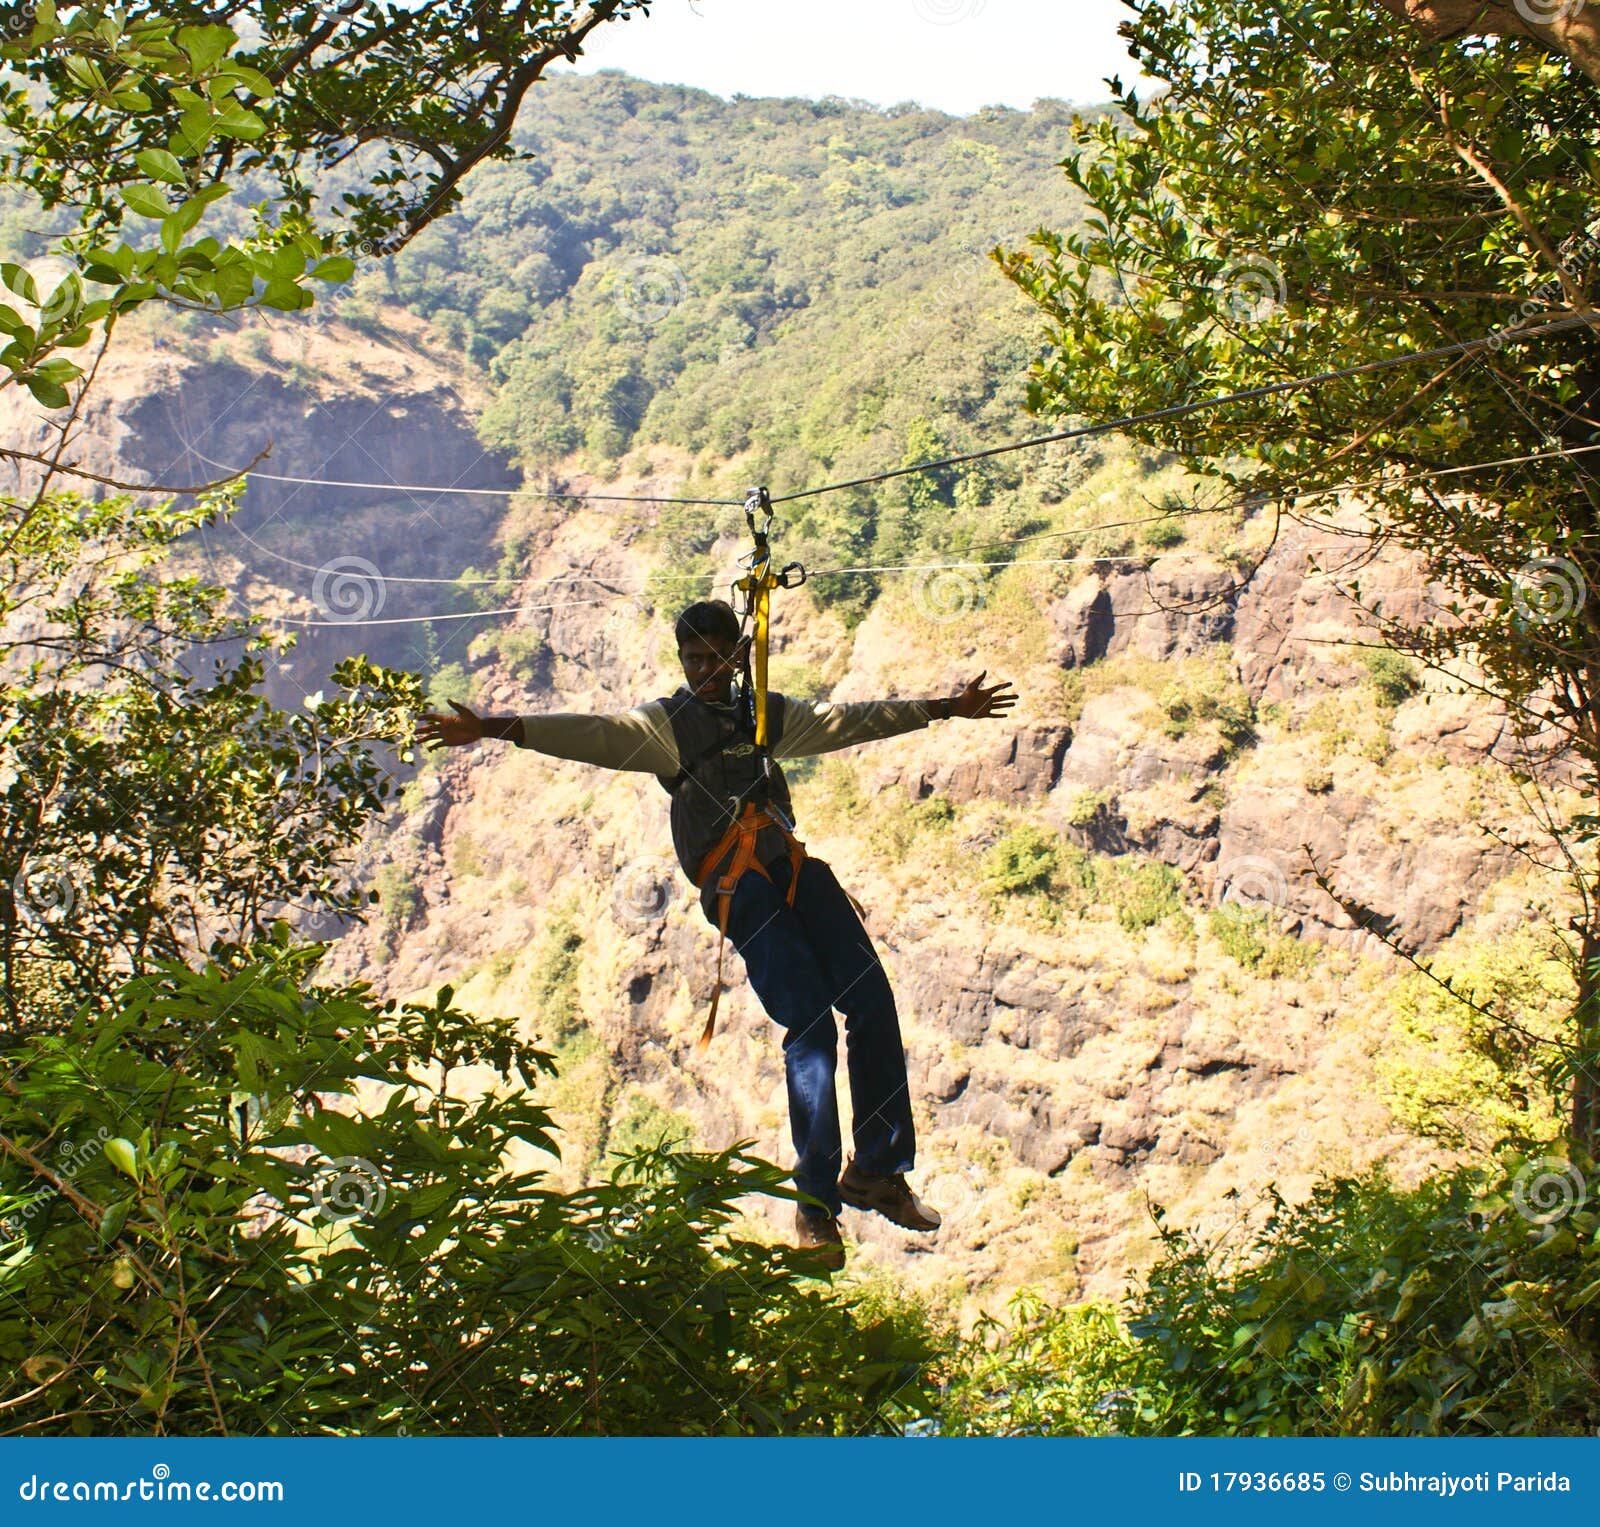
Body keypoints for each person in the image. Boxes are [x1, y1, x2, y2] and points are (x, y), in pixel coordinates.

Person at [417, 598, 1017, 1268]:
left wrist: (945, 707)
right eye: (691, 658)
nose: (702, 670)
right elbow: (595, 733)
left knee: (872, 999)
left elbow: (848, 720)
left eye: (714, 657)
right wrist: (492, 727)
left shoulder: (764, 716)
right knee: (811, 1026)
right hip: (742, 886)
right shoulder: (667, 726)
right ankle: (815, 1207)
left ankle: (877, 1168)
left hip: (788, 866)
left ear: (736, 656)